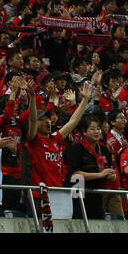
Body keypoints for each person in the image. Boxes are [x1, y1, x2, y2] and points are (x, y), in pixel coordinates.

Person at [25, 76, 96, 219]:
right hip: (39, 194)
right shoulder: (34, 140)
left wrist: (85, 100)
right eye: (43, 119)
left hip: (58, 192)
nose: (48, 122)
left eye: (48, 119)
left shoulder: (55, 138)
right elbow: (32, 120)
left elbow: (73, 121)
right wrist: (32, 97)